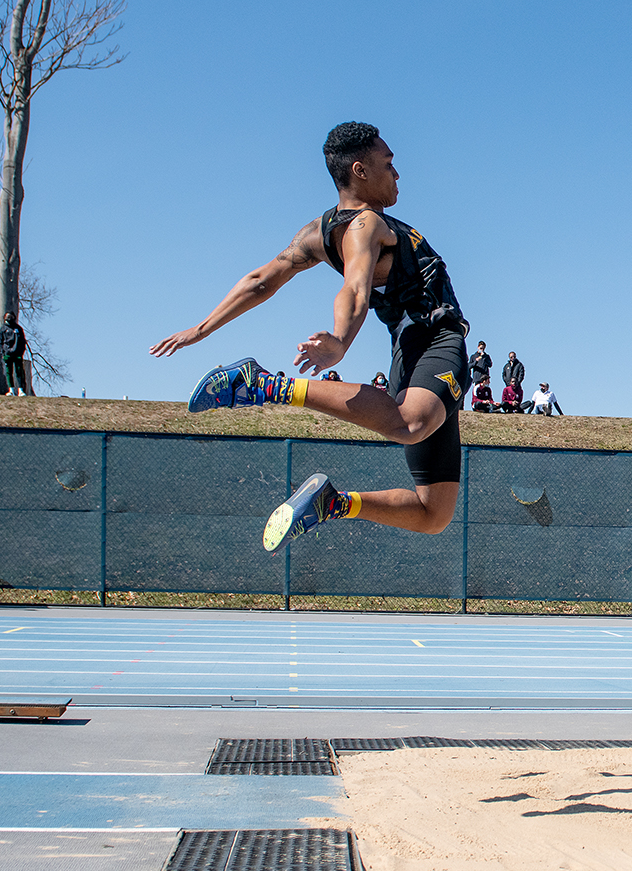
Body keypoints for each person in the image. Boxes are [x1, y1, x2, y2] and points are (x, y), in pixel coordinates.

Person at [149, 122, 468, 551]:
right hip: (435, 340)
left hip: (412, 353)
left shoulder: (318, 232)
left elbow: (262, 280)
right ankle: (263, 385)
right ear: (359, 170)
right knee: (408, 423)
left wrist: (203, 327)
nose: (397, 175)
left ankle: (331, 504)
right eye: (389, 164)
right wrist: (339, 339)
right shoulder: (366, 226)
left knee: (434, 514)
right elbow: (354, 287)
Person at [0, 311, 28, 396]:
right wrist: (3, 353)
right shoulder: (3, 329)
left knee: (19, 372)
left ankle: (20, 390)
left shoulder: (18, 328)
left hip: (17, 353)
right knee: (8, 372)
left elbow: (23, 341)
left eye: (11, 316)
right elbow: (1, 342)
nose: (9, 318)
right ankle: (11, 389)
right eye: (7, 317)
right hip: (8, 353)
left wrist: (21, 352)